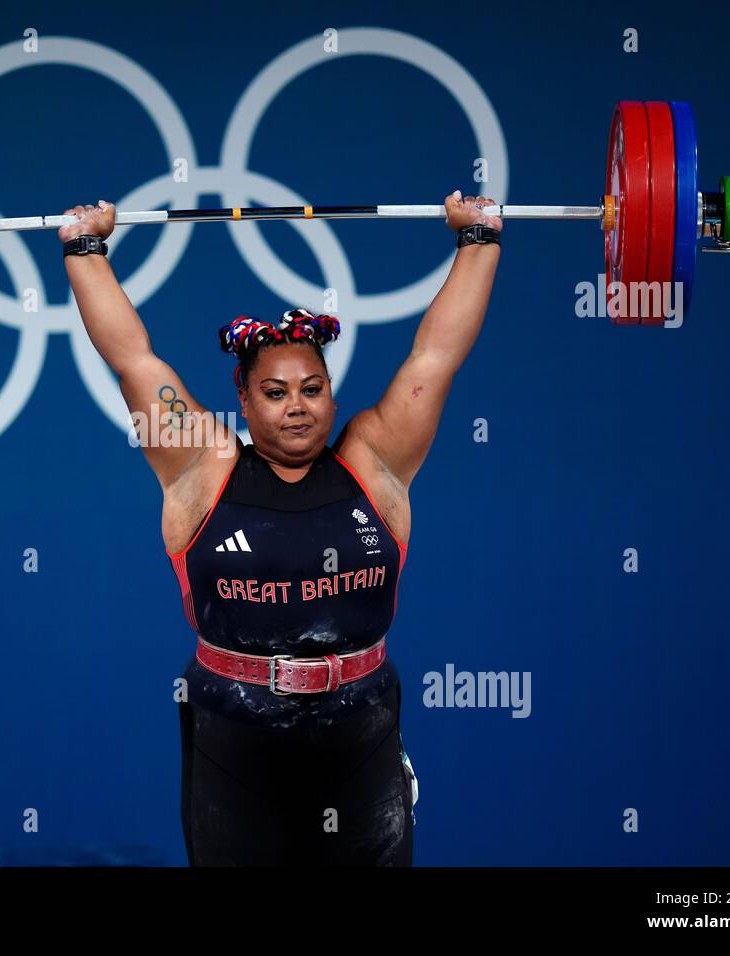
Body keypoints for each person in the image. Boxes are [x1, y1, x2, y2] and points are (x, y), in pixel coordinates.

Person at [61, 192, 502, 865]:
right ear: (243, 396)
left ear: (331, 390)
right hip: (235, 739)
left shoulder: (374, 462)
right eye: (275, 392)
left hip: (360, 732)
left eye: (312, 389)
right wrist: (85, 250)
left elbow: (435, 358)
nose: (296, 407)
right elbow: (134, 361)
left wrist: (478, 238)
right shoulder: (200, 469)